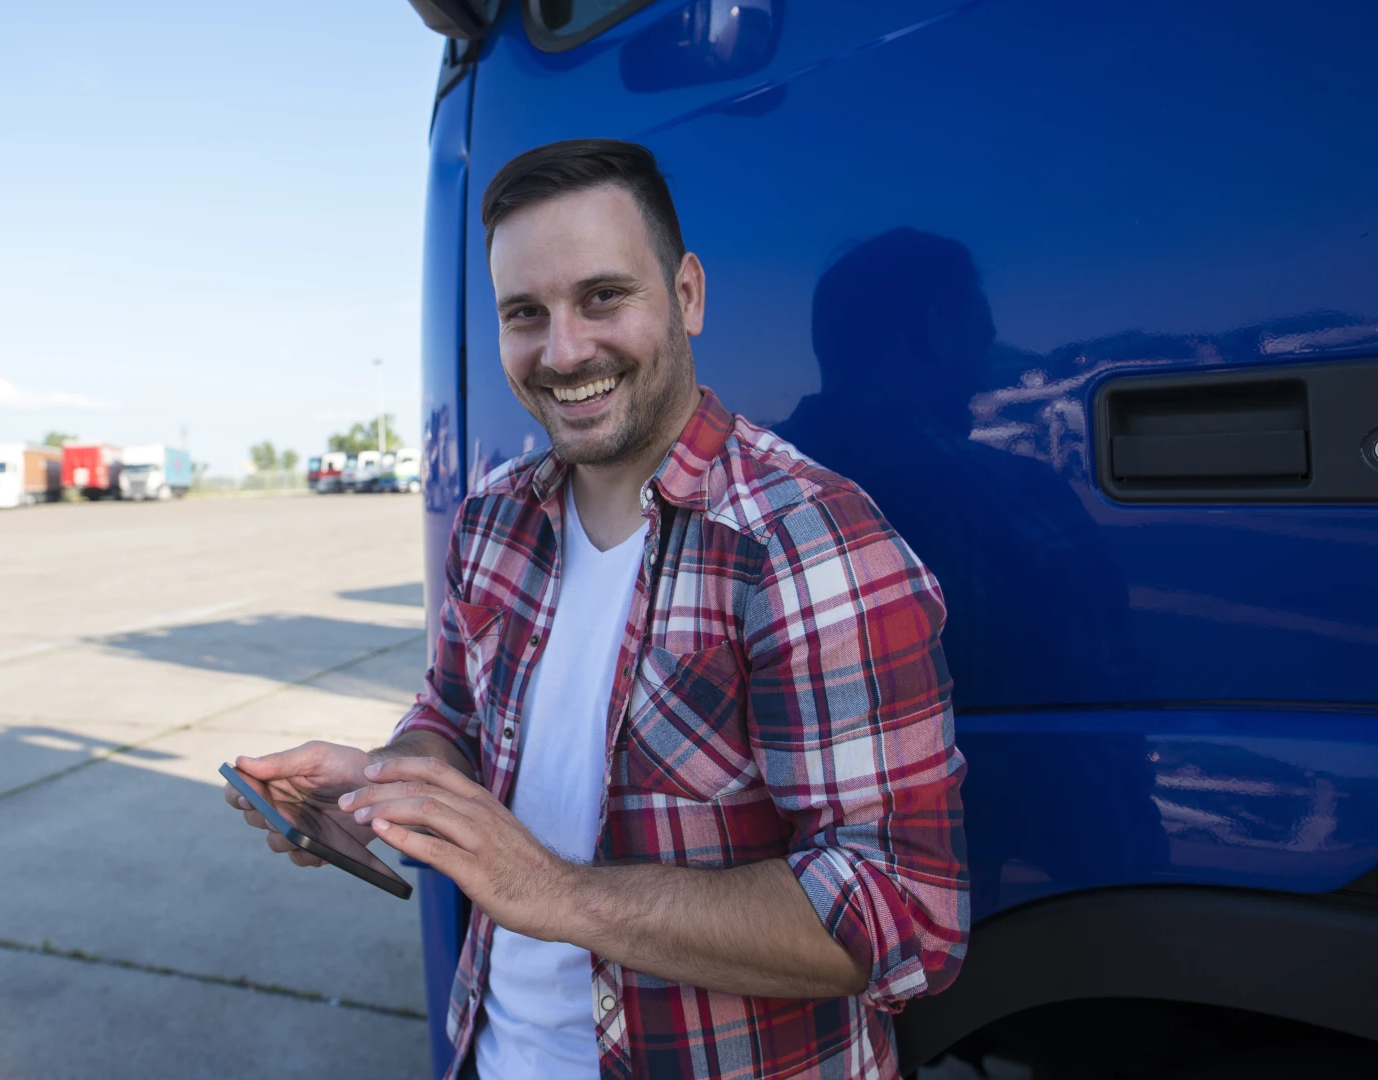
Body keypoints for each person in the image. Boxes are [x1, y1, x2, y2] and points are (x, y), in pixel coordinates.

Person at [224, 140, 967, 1080]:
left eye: (603, 297)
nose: (564, 349)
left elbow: (901, 914)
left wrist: (554, 893)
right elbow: (450, 715)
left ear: (687, 296)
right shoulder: (493, 520)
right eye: (525, 313)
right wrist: (389, 783)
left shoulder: (807, 546)